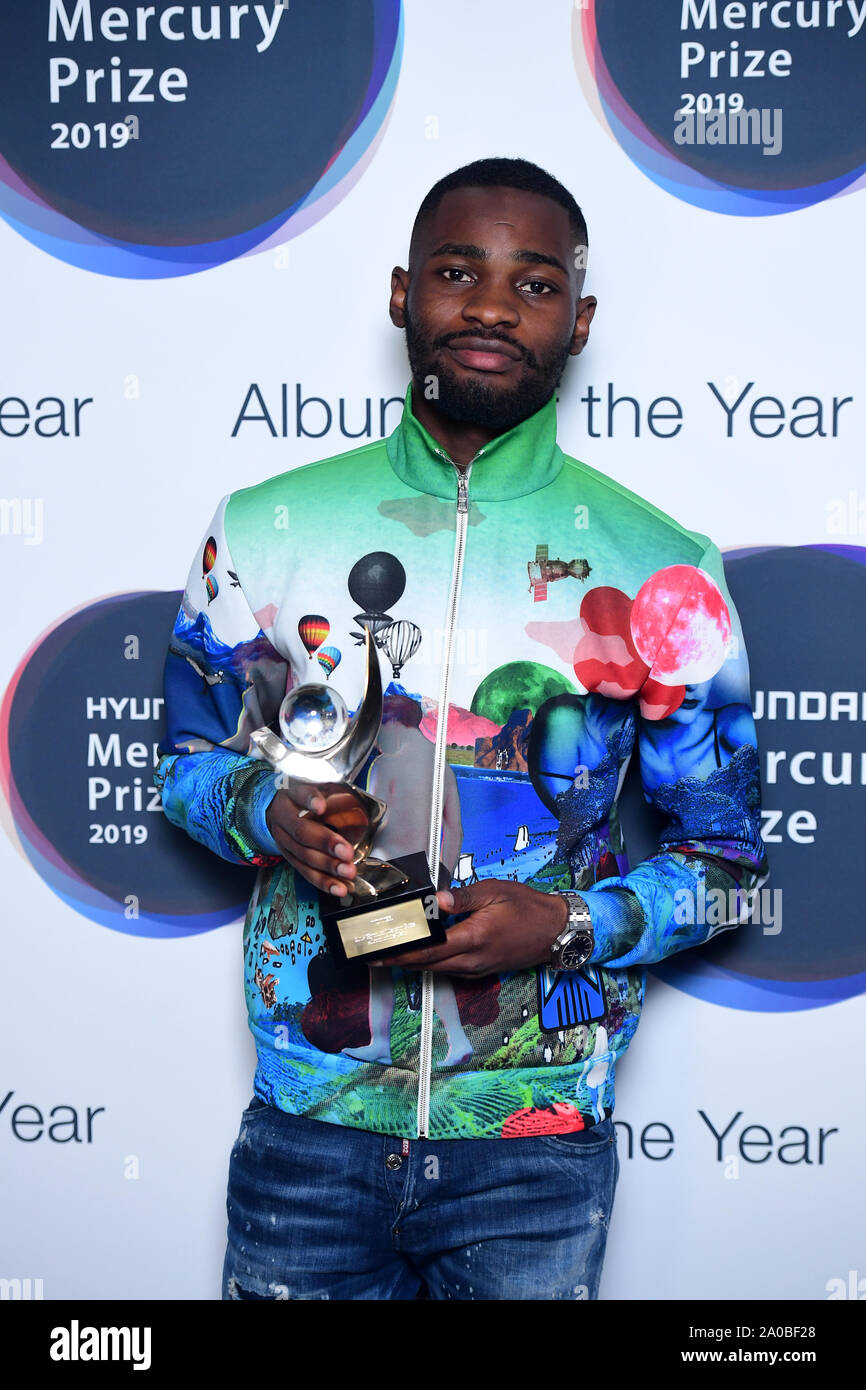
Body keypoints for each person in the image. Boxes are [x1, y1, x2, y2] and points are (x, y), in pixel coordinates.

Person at [155, 157, 768, 1300]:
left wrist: (570, 921)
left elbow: (729, 869)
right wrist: (264, 812)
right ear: (402, 295)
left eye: (533, 284)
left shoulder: (662, 567)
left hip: (535, 1156)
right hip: (308, 1134)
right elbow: (184, 768)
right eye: (456, 272)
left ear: (579, 321)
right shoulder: (259, 525)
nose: (489, 306)